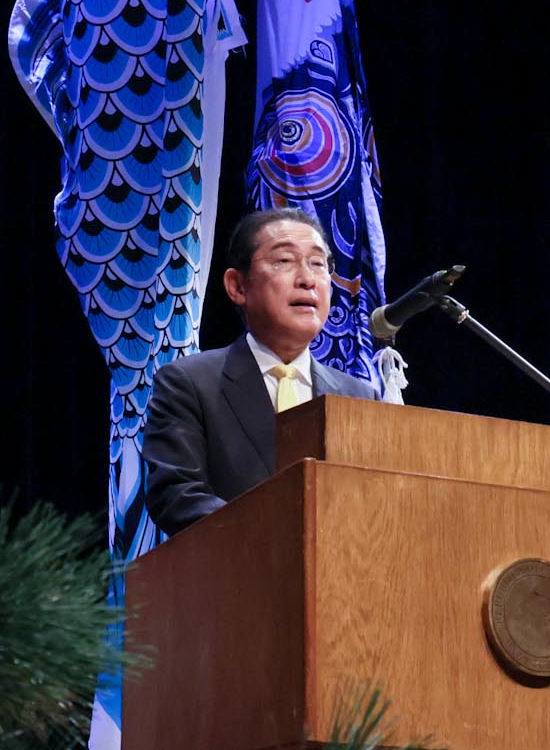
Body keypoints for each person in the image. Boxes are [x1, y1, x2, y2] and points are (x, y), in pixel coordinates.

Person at [141, 209, 378, 537]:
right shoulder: (189, 383)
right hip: (235, 578)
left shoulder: (359, 397)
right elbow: (177, 495)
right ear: (237, 286)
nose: (307, 278)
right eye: (284, 261)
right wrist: (276, 534)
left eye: (318, 263)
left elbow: (377, 504)